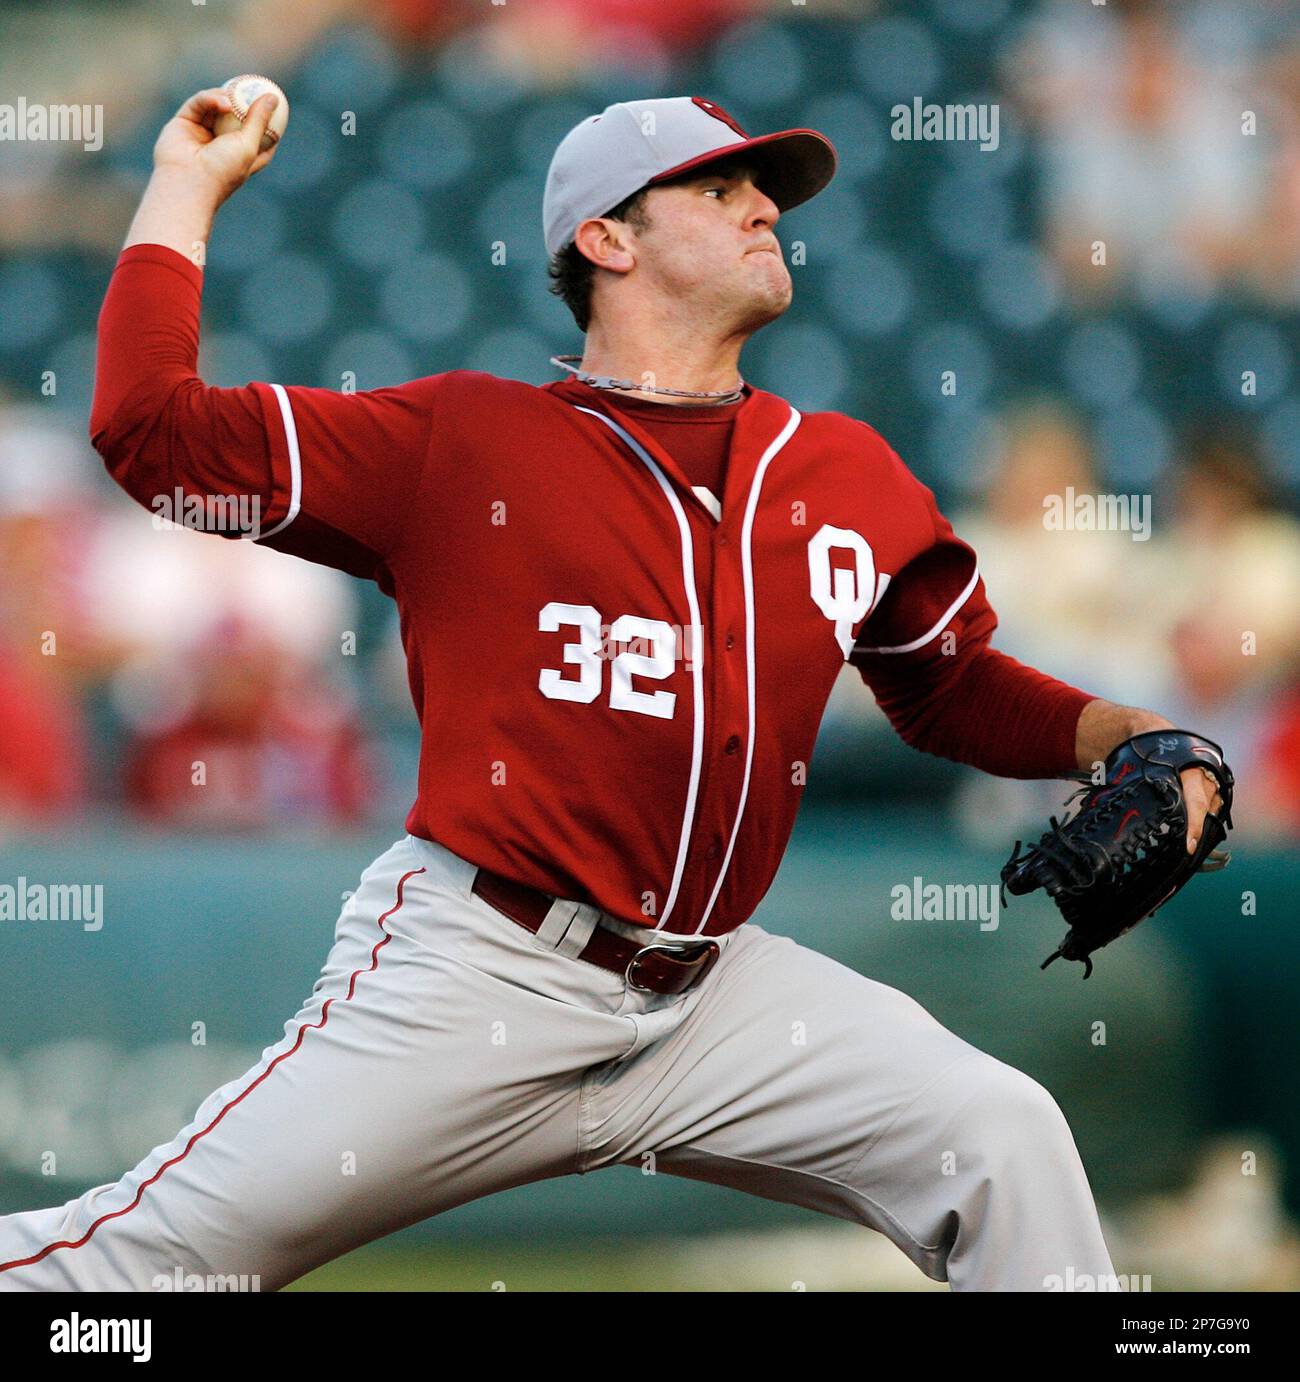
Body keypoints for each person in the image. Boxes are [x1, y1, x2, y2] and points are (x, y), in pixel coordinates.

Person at [0, 90, 1222, 1292]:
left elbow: (946, 687)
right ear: (606, 239)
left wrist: (1133, 734)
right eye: (718, 185)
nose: (761, 209)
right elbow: (152, 433)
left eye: (766, 191)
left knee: (1002, 1135)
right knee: (135, 1271)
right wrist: (184, 186)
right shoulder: (464, 445)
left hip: (716, 998)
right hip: (484, 968)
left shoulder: (843, 473)